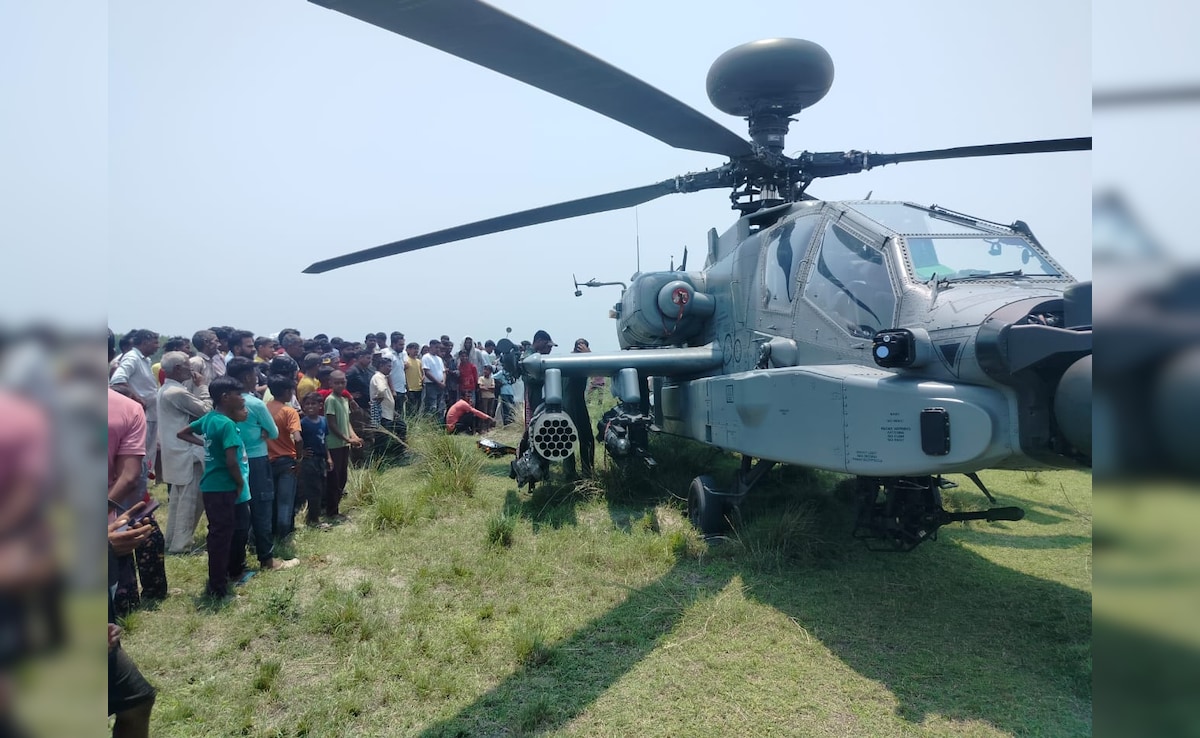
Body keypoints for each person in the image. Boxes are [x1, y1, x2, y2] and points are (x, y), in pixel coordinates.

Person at [175, 376, 252, 599]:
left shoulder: (210, 419)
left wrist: (206, 444)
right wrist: (239, 483)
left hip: (211, 486)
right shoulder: (227, 424)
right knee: (221, 539)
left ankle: (223, 579)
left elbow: (183, 433)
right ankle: (218, 588)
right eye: (238, 394)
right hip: (223, 487)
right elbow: (231, 461)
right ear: (225, 397)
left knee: (220, 535)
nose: (241, 398)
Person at [226, 357, 294, 571]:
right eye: (255, 375)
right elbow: (273, 432)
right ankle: (266, 558)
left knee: (238, 508)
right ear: (247, 377)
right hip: (256, 460)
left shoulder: (223, 402)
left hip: (231, 460)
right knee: (262, 506)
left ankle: (240, 557)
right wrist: (261, 432)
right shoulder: (254, 403)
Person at [156, 351, 211, 554]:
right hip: (187, 453)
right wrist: (203, 386)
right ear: (178, 368)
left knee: (178, 503)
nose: (191, 368)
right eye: (188, 365)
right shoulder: (177, 392)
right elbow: (206, 410)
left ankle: (172, 540)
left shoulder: (166, 390)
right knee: (191, 501)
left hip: (176, 452)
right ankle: (181, 546)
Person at [266, 374, 303, 539]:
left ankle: (270, 532)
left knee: (270, 499)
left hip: (267, 461)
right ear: (287, 392)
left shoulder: (264, 408)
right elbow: (298, 438)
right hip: (287, 461)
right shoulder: (289, 411)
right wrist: (300, 459)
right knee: (286, 501)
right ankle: (284, 534)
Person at [324, 370, 362, 521]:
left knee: (342, 478)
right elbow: (331, 424)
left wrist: (354, 437)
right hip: (334, 445)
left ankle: (335, 508)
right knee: (334, 479)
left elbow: (346, 422)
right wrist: (347, 438)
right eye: (337, 382)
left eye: (343, 382)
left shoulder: (344, 400)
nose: (340, 385)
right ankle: (332, 512)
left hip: (344, 444)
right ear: (330, 383)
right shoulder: (331, 400)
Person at [298, 392, 332, 528]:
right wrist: (301, 453)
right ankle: (313, 520)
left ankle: (314, 516)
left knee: (321, 487)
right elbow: (296, 440)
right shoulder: (302, 423)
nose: (310, 406)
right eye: (307, 404)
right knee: (313, 490)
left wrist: (328, 457)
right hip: (309, 461)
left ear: (320, 406)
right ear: (303, 407)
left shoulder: (323, 421)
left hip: (321, 459)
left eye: (313, 403)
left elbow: (324, 441)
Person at [562, 338, 595, 478]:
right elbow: (596, 366)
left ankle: (570, 473)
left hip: (567, 401)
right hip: (575, 401)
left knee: (567, 438)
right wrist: (589, 354)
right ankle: (587, 471)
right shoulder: (580, 360)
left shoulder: (567, 359)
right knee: (586, 438)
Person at [421, 342, 447, 417]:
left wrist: (443, 382)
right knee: (432, 406)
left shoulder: (439, 359)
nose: (438, 349)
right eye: (436, 347)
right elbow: (427, 372)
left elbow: (444, 372)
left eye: (439, 348)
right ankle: (429, 424)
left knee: (440, 406)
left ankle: (438, 425)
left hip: (441, 385)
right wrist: (438, 382)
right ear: (431, 347)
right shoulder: (426, 357)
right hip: (431, 385)